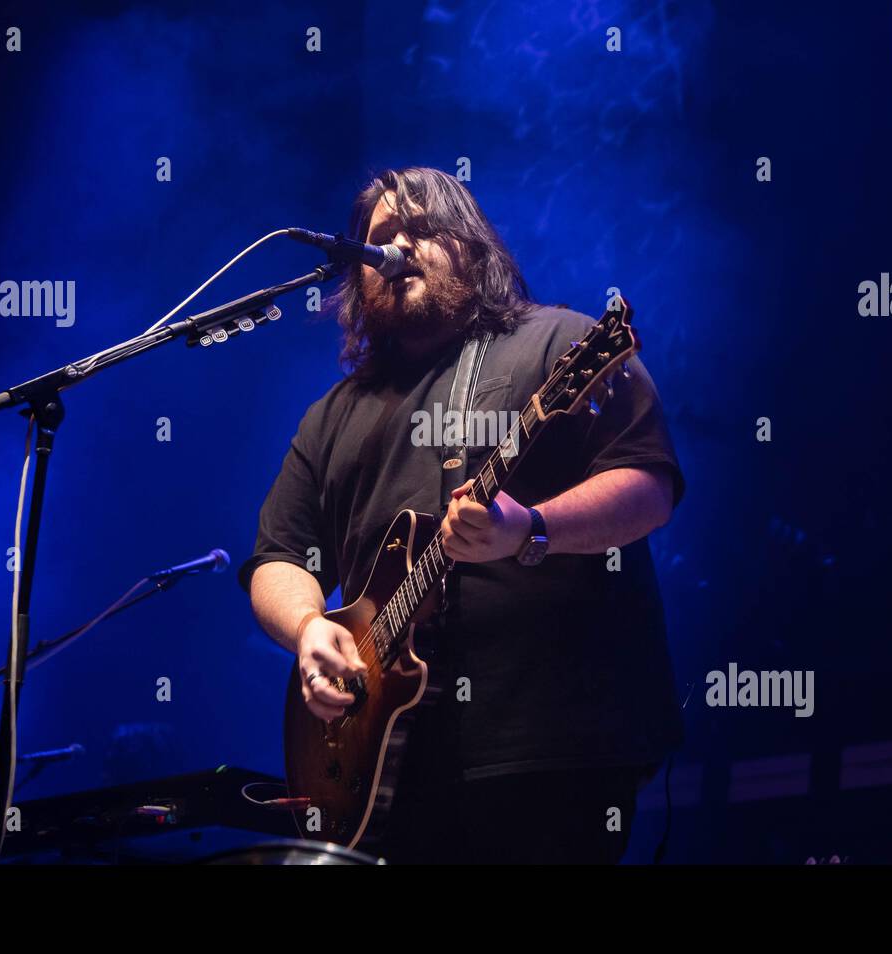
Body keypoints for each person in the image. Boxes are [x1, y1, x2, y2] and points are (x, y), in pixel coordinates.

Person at [241, 166, 685, 863]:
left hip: (546, 744)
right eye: (382, 238)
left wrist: (528, 530)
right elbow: (278, 556)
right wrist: (307, 632)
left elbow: (648, 486)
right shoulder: (330, 416)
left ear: (471, 247)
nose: (400, 247)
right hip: (384, 766)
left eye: (421, 230)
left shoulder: (559, 344)